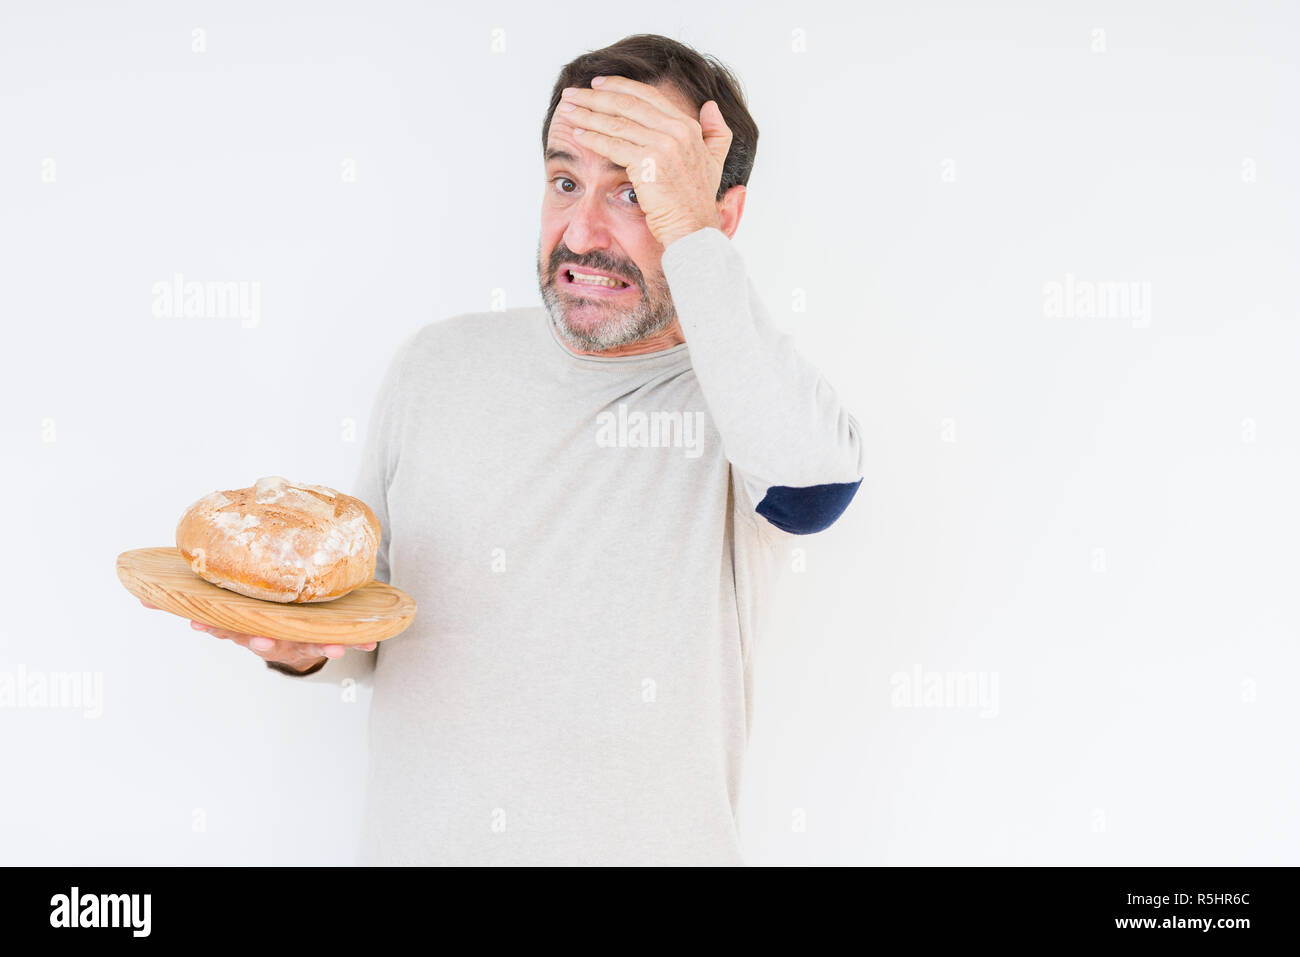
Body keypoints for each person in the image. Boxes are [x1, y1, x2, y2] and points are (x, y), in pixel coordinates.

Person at [146, 34, 864, 865]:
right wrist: (304, 648)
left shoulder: (744, 399)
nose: (583, 232)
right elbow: (365, 623)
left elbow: (815, 491)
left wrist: (690, 234)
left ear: (718, 216)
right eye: (566, 182)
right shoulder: (437, 366)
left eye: (636, 192)